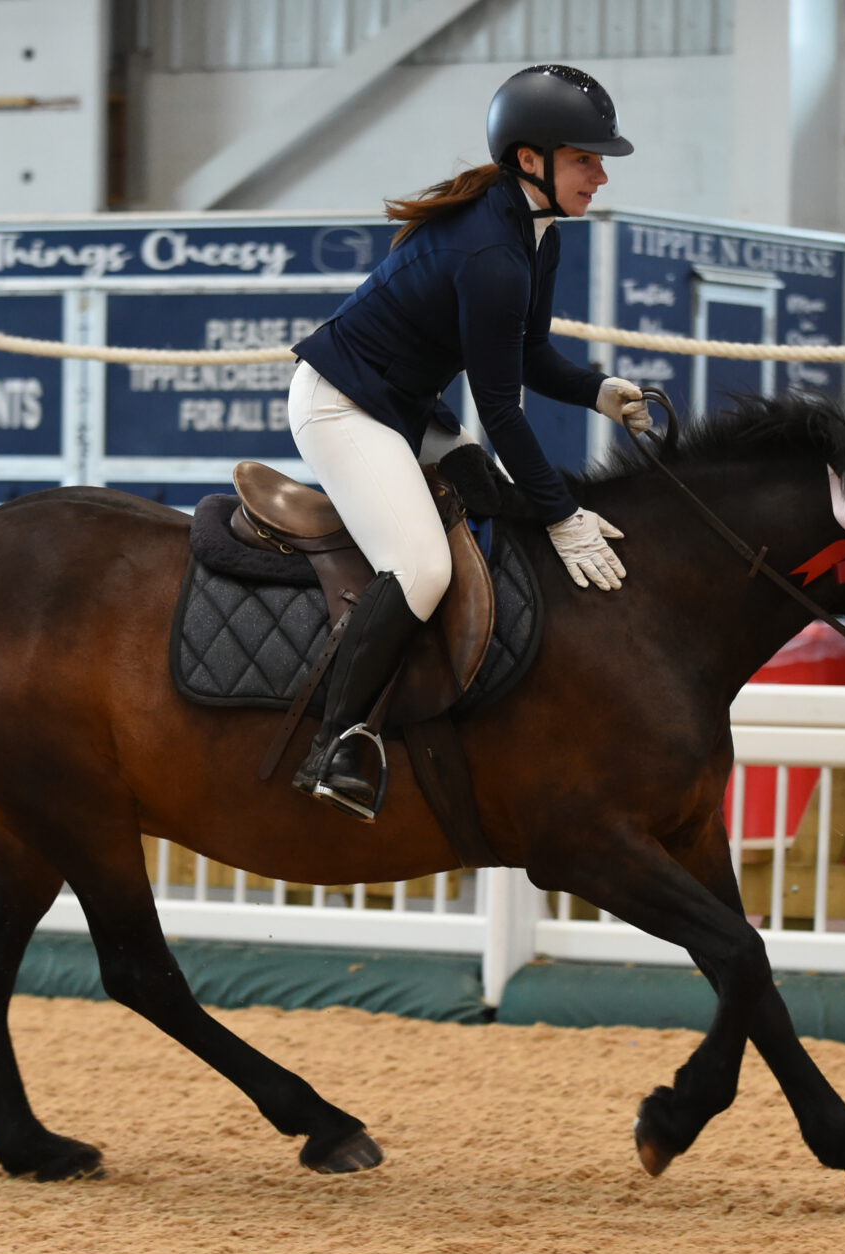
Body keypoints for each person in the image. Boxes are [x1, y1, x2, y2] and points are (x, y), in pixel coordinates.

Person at [286, 64, 655, 821]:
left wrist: (596, 389)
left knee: (488, 497)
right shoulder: (491, 252)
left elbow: (529, 356)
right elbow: (502, 410)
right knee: (419, 565)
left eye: (600, 161)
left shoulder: (535, 234)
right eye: (586, 159)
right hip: (342, 406)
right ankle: (336, 741)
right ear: (532, 160)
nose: (600, 176)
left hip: (400, 403)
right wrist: (563, 514)